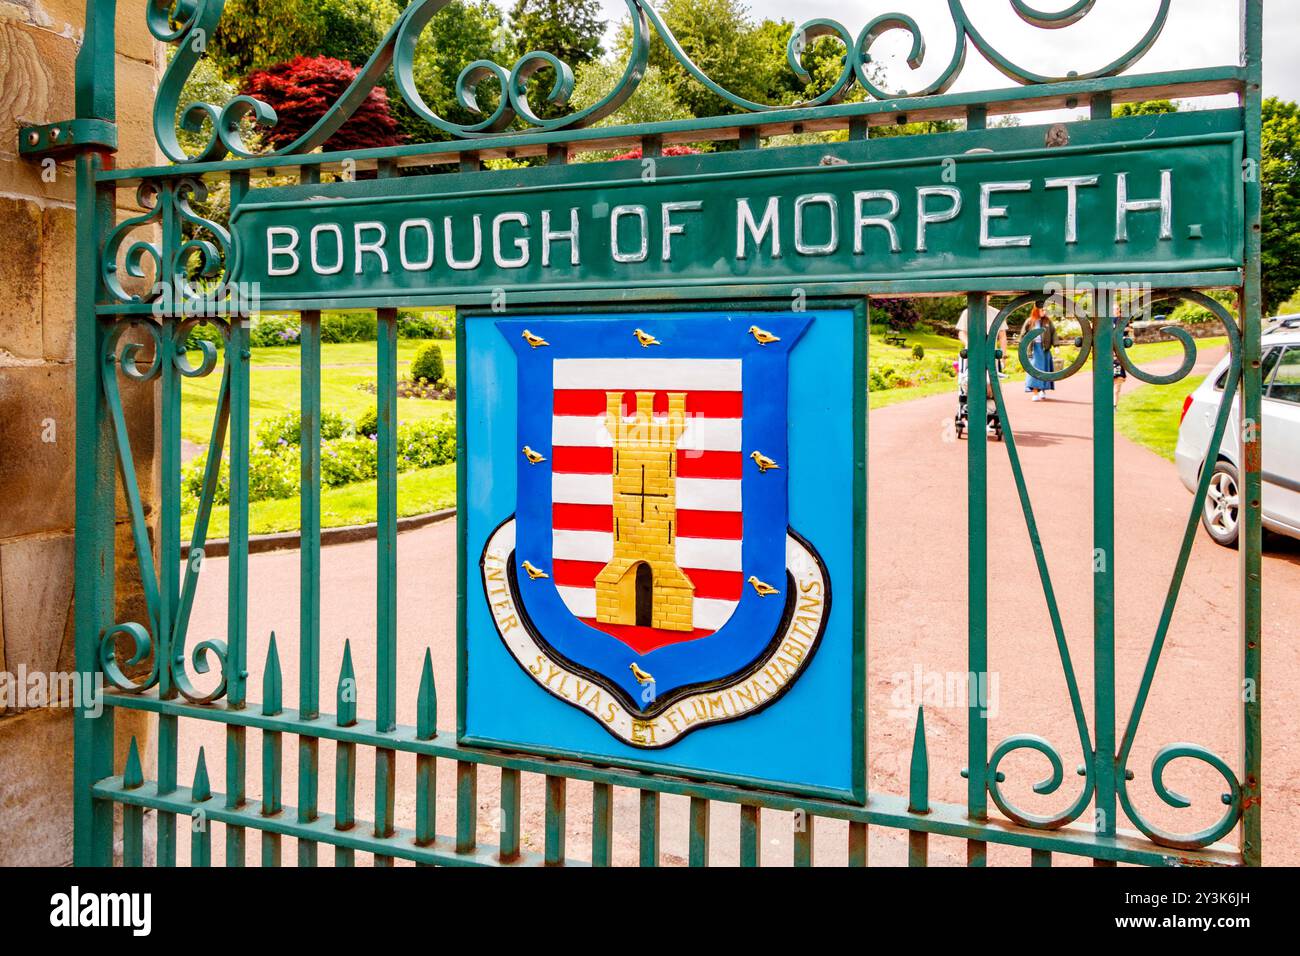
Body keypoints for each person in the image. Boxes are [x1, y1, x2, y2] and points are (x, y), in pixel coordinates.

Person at [1021, 306, 1055, 402]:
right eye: (1042, 310)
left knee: (1045, 369)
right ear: (1036, 310)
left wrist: (1056, 346)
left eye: (1045, 310)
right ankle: (1035, 392)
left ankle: (1043, 390)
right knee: (1034, 370)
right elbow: (1023, 334)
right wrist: (1023, 345)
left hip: (1045, 350)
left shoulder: (1048, 321)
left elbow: (1054, 333)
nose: (1044, 312)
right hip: (1034, 349)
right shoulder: (1030, 321)